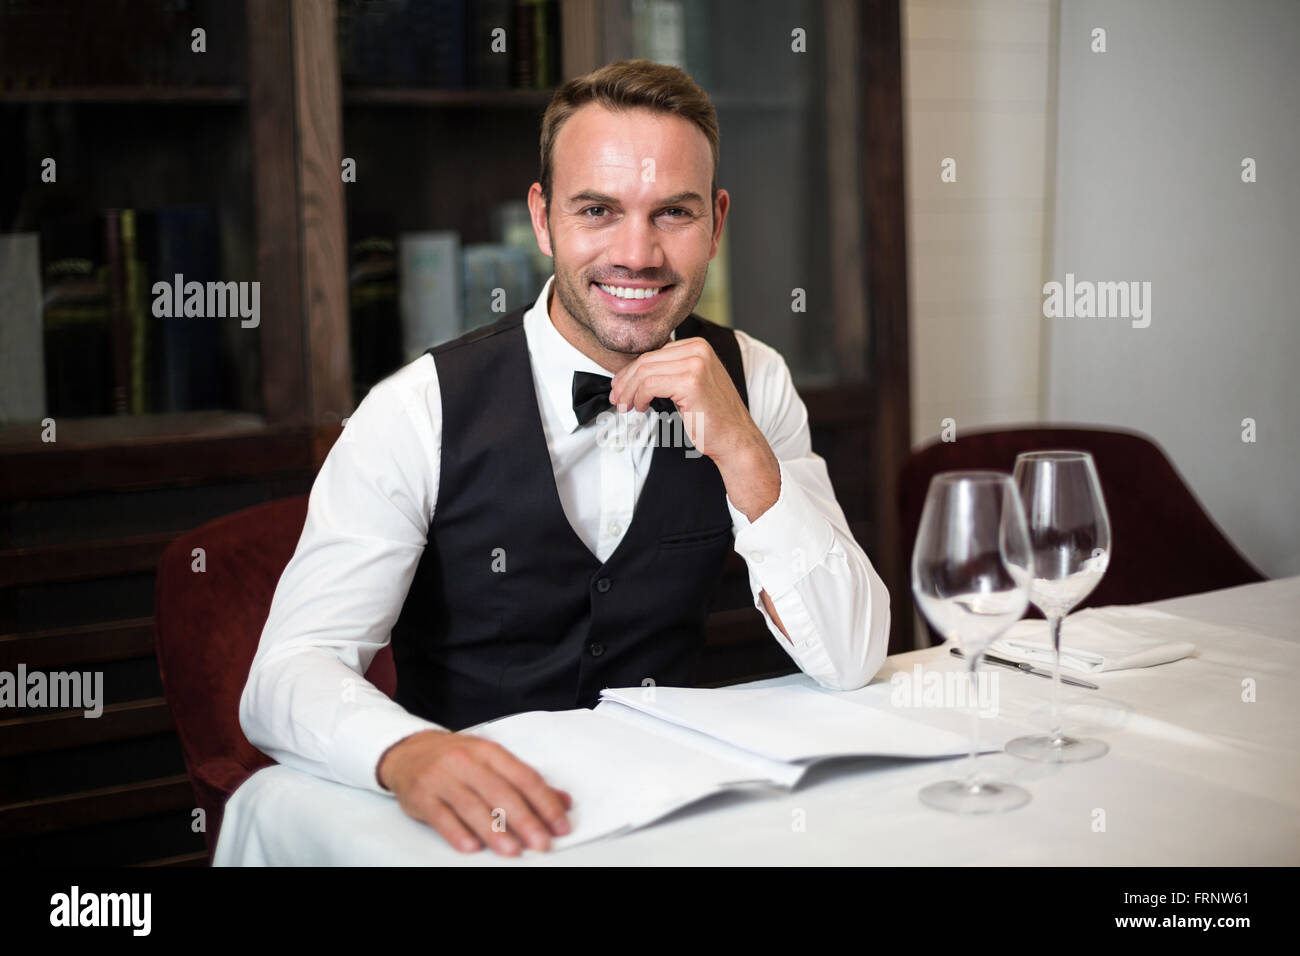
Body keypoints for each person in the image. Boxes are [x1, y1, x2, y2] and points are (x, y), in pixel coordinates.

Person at [239, 59, 890, 859]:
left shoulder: (755, 379)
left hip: (676, 816)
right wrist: (404, 753)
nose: (638, 253)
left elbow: (855, 656)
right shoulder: (416, 409)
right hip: (484, 833)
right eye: (599, 210)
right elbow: (286, 673)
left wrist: (743, 449)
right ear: (543, 220)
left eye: (673, 213)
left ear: (717, 223)